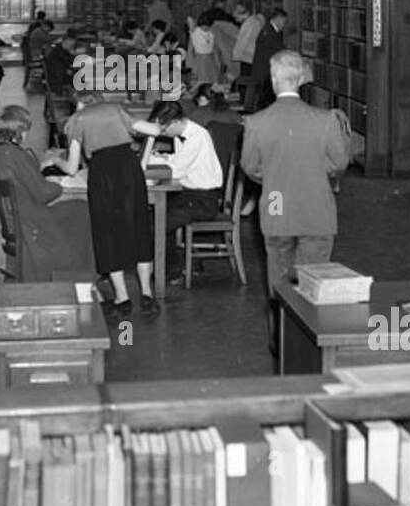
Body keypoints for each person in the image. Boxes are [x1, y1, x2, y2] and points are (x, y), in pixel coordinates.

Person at [241, 51, 351, 342]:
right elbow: (340, 162)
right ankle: (311, 345)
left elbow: (251, 168)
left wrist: (277, 177)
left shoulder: (256, 122)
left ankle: (281, 342)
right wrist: (313, 171)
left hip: (277, 205)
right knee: (315, 284)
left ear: (275, 80)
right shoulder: (326, 120)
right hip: (316, 208)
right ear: (301, 80)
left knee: (279, 281)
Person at [49, 90, 155, 312]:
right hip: (130, 167)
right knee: (139, 226)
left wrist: (56, 159)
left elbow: (71, 168)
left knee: (106, 231)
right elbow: (153, 130)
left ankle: (122, 298)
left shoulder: (77, 120)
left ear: (79, 103)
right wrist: (143, 157)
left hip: (102, 173)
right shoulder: (116, 110)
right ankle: (146, 294)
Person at [0, 106, 95, 280]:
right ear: (20, 131)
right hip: (32, 220)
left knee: (78, 210)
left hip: (14, 221)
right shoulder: (16, 155)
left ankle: (79, 276)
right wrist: (59, 185)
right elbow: (43, 193)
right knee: (84, 210)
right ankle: (80, 276)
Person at [138, 100, 224, 279]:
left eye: (164, 128)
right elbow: (179, 161)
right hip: (189, 193)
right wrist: (160, 157)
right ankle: (173, 264)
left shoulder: (197, 136)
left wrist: (151, 160)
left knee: (159, 224)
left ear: (176, 122)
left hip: (203, 200)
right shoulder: (182, 134)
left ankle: (170, 270)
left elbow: (176, 170)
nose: (161, 132)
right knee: (154, 216)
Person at [248, 7, 288, 111]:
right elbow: (276, 51)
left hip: (268, 72)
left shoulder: (273, 31)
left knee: (266, 100)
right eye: (284, 21)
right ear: (278, 19)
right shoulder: (268, 32)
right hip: (264, 73)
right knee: (263, 102)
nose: (284, 24)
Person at [233, 5, 264, 100]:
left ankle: (245, 101)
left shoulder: (250, 24)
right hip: (253, 56)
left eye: (237, 17)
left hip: (247, 57)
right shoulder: (257, 21)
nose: (236, 20)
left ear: (244, 14)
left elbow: (242, 41)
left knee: (246, 82)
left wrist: (236, 55)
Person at [187, 13, 220, 86]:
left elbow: (215, 49)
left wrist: (217, 62)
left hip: (210, 60)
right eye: (203, 26)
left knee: (211, 81)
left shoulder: (211, 33)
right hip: (199, 60)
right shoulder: (195, 33)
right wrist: (190, 65)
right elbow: (190, 50)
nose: (205, 28)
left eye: (207, 26)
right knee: (200, 81)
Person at [45, 31, 78, 96]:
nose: (72, 47)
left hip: (58, 77)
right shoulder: (58, 54)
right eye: (72, 45)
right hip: (58, 82)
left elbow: (68, 63)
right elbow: (62, 71)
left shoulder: (59, 49)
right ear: (66, 42)